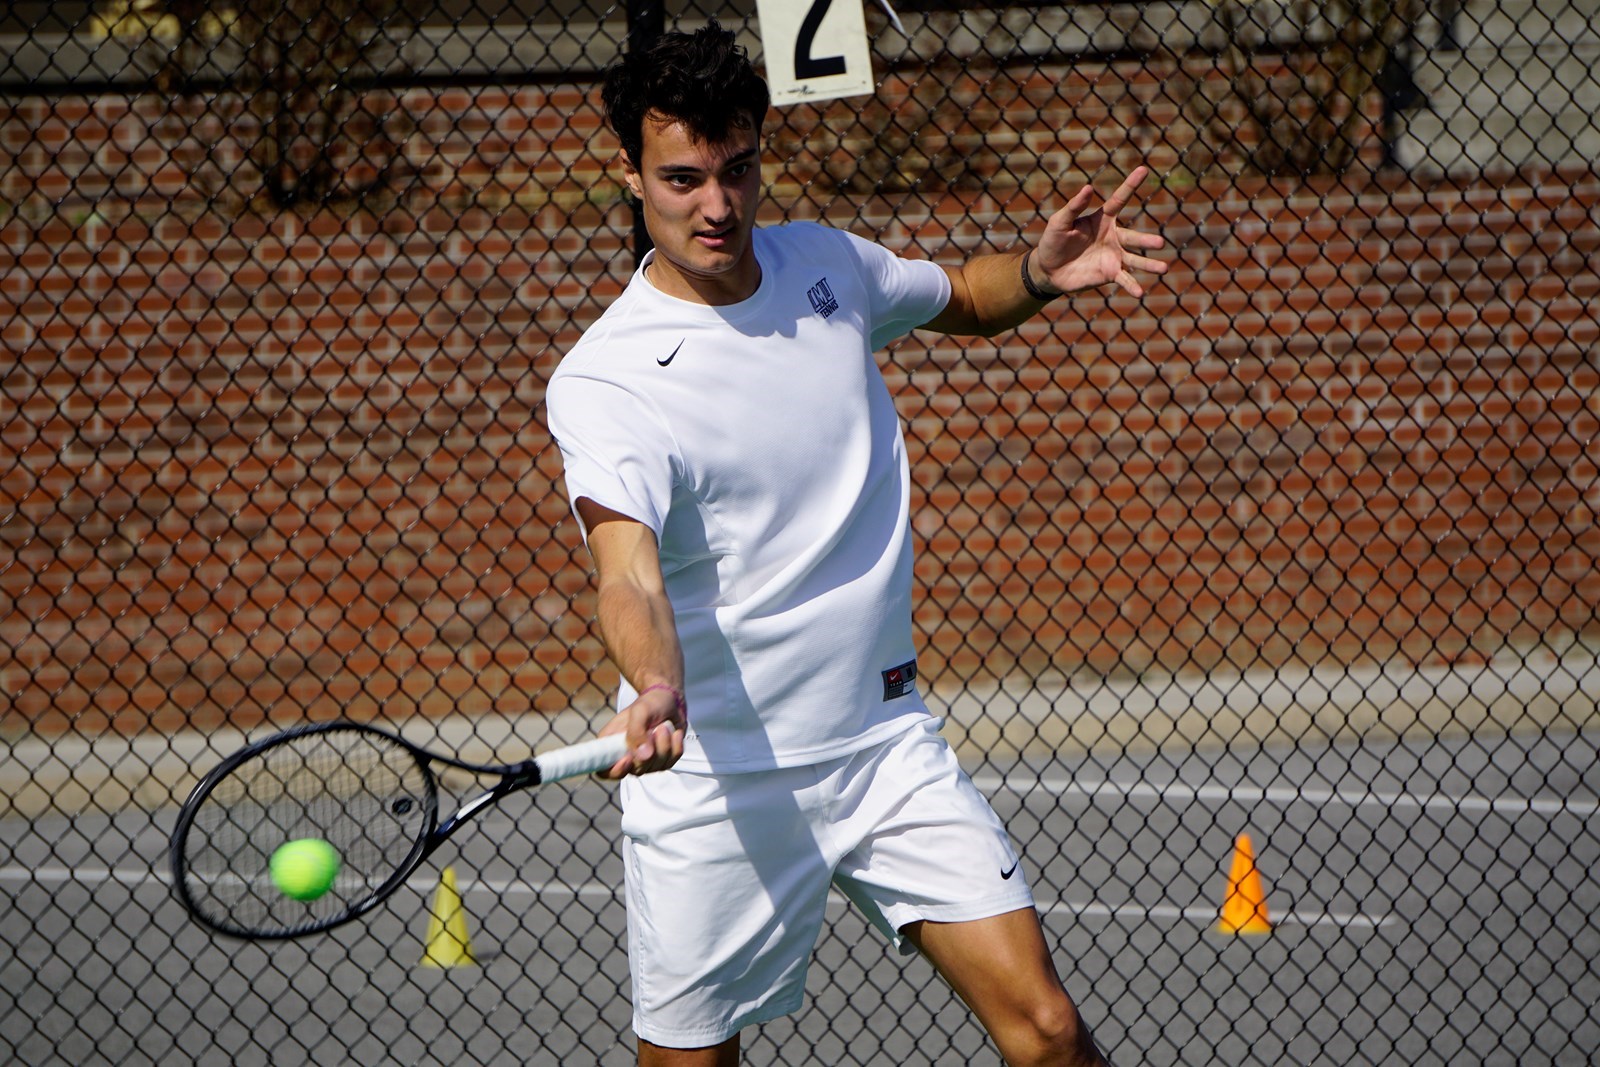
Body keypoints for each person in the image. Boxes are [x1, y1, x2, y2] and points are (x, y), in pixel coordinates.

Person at [545, 21, 1168, 1067]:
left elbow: (964, 298)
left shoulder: (826, 266)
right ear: (632, 175)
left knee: (1049, 1027)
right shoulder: (606, 379)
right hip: (721, 777)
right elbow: (629, 572)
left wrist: (1040, 269)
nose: (717, 205)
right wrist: (651, 682)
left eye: (737, 171)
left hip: (882, 746)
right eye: (684, 178)